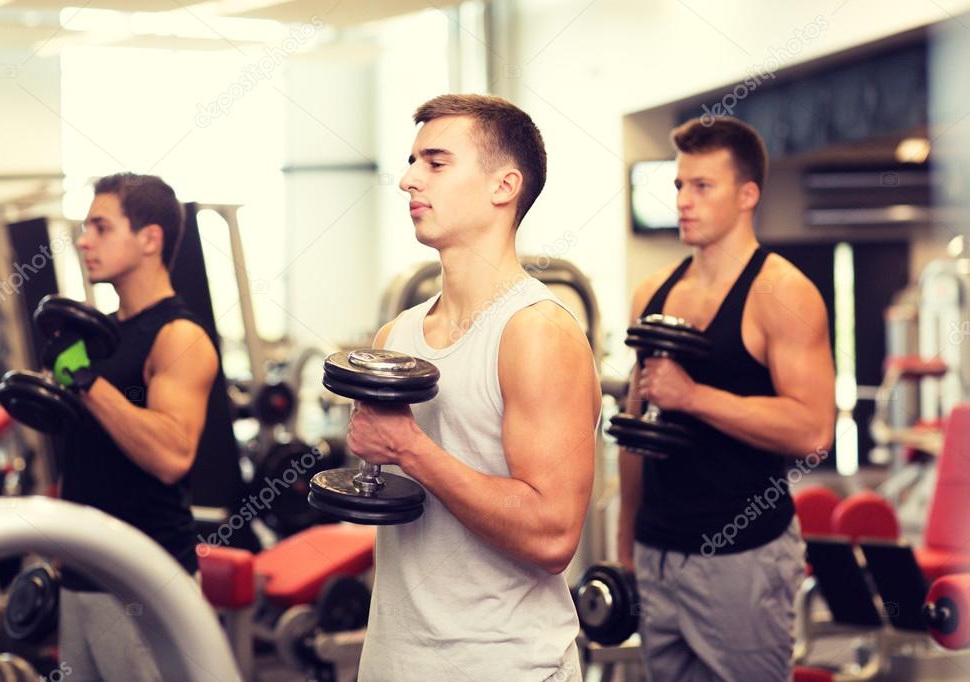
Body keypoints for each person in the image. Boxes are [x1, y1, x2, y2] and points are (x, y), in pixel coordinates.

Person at [347, 94, 601, 682]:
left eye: (435, 163)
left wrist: (409, 447)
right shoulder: (397, 332)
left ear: (503, 186)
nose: (409, 180)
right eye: (412, 162)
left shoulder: (536, 332)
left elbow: (552, 534)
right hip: (393, 657)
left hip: (503, 663)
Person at [617, 116, 837, 681]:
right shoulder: (654, 291)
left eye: (702, 187)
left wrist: (693, 397)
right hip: (658, 548)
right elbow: (637, 424)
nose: (684, 201)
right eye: (679, 186)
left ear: (747, 195)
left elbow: (814, 430)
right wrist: (626, 540)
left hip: (743, 555)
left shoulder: (782, 292)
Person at [57, 173, 219, 681]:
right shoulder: (104, 335)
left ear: (150, 238)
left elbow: (172, 456)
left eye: (101, 227)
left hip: (143, 580)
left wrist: (86, 383)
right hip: (81, 573)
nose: (85, 240)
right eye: (85, 227)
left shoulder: (179, 336)